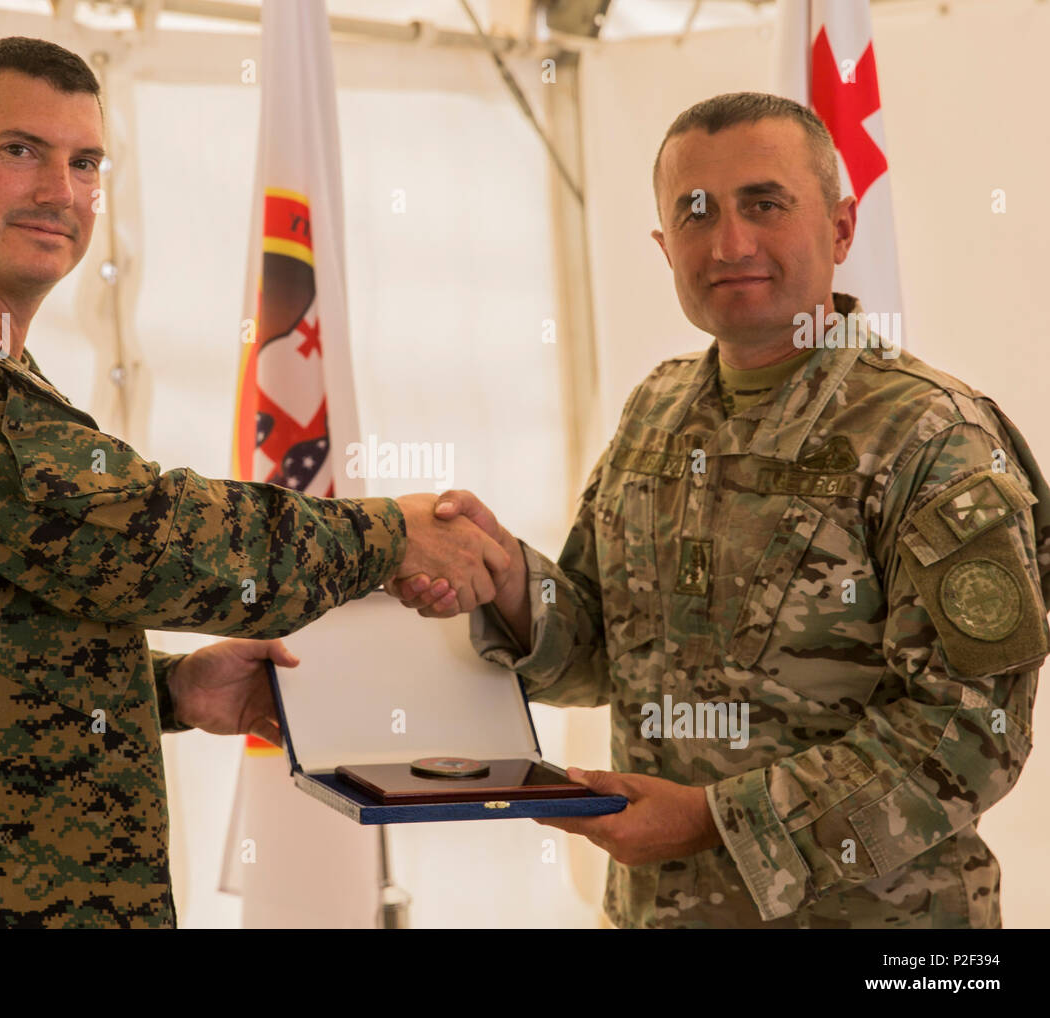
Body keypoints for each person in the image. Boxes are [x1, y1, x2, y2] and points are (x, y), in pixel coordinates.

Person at [0, 36, 506, 929]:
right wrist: (393, 532)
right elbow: (148, 539)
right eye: (21, 152)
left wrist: (164, 691)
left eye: (86, 163)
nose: (61, 191)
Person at [392, 92, 1050, 928]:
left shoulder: (932, 436)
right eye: (696, 214)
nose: (730, 243)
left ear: (844, 228)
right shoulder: (655, 410)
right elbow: (600, 650)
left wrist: (710, 822)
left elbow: (970, 734)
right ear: (666, 247)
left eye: (765, 205)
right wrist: (510, 579)